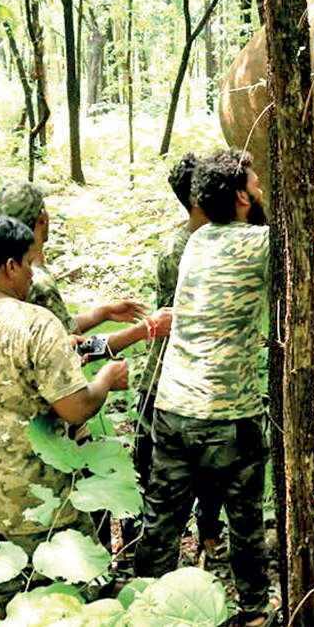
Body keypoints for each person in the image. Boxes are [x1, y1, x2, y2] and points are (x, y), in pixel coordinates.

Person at [134, 149, 314, 627]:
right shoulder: (256, 246)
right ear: (240, 197)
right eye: (256, 188)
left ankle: (141, 608)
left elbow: (302, 236)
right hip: (226, 419)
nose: (260, 194)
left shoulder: (199, 241)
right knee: (245, 524)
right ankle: (255, 614)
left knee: (161, 521)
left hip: (172, 410)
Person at [0, 214, 129, 625]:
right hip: (31, 487)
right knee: (79, 586)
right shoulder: (34, 323)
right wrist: (106, 379)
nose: (31, 272)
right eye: (28, 262)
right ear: (9, 267)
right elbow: (75, 408)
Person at [130, 153, 222, 558]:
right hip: (166, 375)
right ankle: (141, 543)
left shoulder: (219, 239)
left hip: (207, 375)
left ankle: (208, 533)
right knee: (150, 465)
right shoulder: (181, 249)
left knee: (213, 465)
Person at [0, 182, 171, 357]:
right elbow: (73, 352)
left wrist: (102, 313)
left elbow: (58, 330)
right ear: (43, 218)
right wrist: (143, 330)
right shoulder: (36, 281)